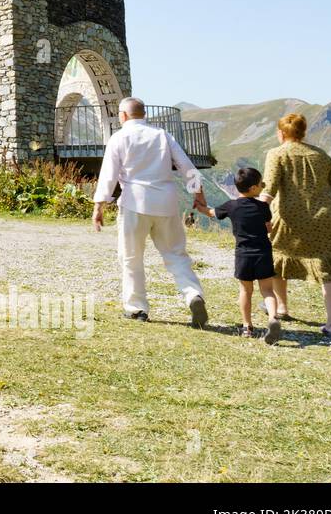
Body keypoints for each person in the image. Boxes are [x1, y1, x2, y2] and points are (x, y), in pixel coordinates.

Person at [92, 97, 210, 327]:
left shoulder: (119, 138)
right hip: (166, 202)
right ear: (143, 114)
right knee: (176, 254)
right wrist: (198, 192)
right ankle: (193, 294)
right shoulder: (162, 135)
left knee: (131, 257)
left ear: (123, 115)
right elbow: (186, 165)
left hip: (134, 203)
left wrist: (99, 205)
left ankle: (136, 308)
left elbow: (109, 174)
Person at [260, 113, 331, 338]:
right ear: (303, 132)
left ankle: (281, 308)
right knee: (329, 269)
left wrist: (256, 213)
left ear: (281, 133)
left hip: (289, 217)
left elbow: (269, 188)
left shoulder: (276, 153)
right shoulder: (322, 155)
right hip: (326, 218)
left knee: (278, 259)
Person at [196, 167, 281, 344]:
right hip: (263, 253)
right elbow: (269, 228)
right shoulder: (263, 206)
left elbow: (212, 213)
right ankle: (273, 318)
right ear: (253, 189)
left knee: (245, 291)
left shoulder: (231, 206)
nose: (262, 187)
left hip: (243, 255)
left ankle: (247, 326)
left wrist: (200, 207)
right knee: (267, 290)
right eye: (260, 185)